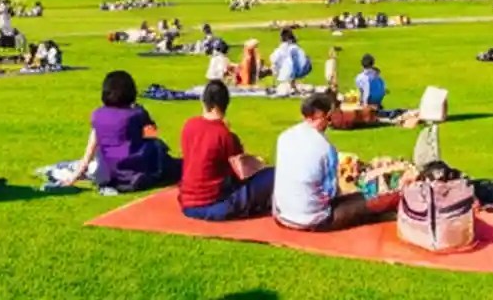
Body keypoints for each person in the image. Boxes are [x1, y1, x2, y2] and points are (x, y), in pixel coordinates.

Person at [273, 93, 405, 232]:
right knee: (375, 200)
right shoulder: (325, 148)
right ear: (323, 115)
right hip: (313, 220)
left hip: (282, 215)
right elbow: (331, 193)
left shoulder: (285, 137)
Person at [63, 71, 180, 192]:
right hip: (135, 175)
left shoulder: (97, 114)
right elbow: (152, 135)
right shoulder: (137, 114)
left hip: (106, 176)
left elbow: (92, 145)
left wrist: (78, 172)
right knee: (160, 149)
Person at [178, 80, 275, 221]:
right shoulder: (225, 135)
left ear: (204, 101)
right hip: (215, 204)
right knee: (273, 175)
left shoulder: (189, 125)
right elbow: (243, 170)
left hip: (187, 203)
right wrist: (260, 162)